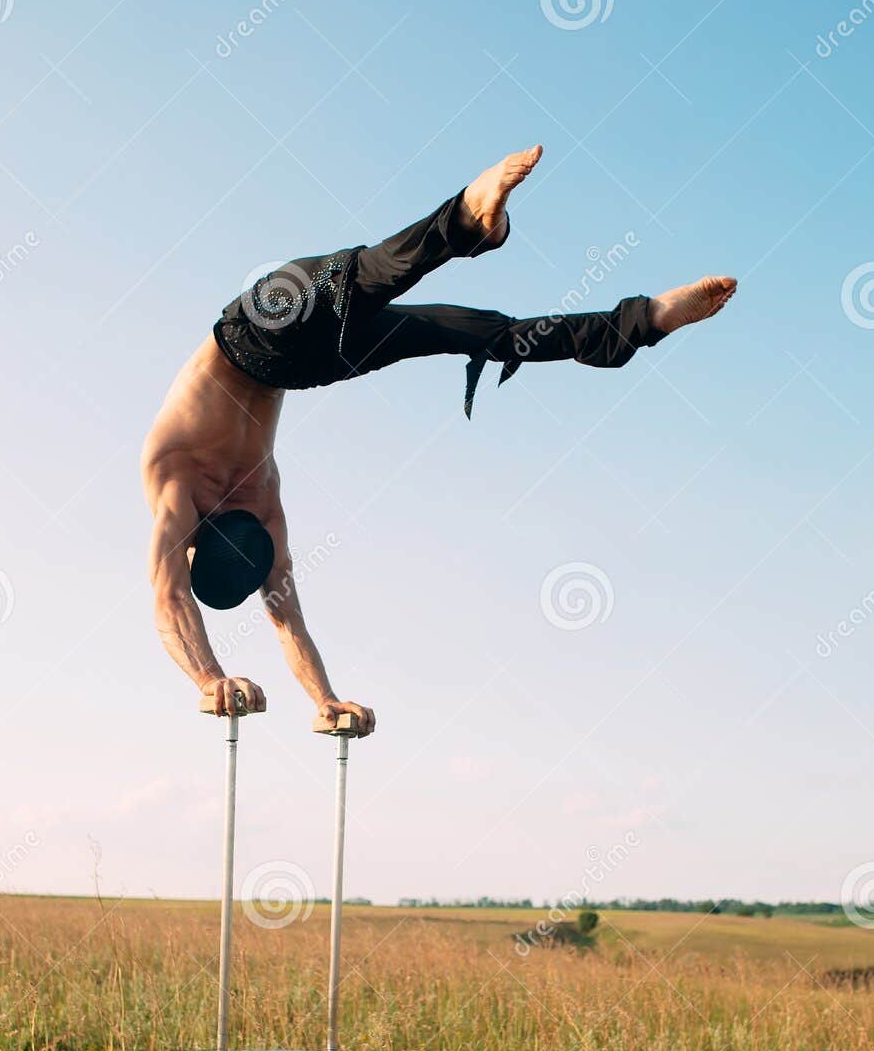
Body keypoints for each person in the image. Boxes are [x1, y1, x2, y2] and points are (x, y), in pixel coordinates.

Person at [143, 145, 736, 727]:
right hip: (312, 367)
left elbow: (169, 599)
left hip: (253, 333)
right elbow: (287, 621)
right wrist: (322, 699)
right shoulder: (265, 512)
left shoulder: (175, 486)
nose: (241, 503)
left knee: (347, 280)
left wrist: (208, 678)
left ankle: (469, 219)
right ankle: (645, 320)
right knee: (474, 330)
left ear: (209, 530)